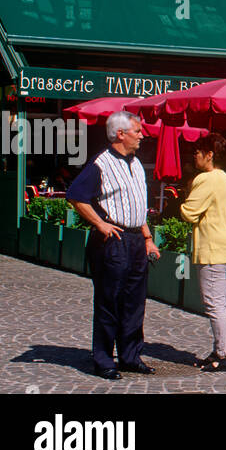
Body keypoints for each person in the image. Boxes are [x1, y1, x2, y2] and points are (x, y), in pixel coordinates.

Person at [66, 112, 160, 380]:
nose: (142, 135)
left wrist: (148, 238)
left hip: (135, 240)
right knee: (110, 300)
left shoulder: (137, 163)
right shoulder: (101, 164)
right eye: (137, 131)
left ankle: (130, 356)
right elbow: (76, 196)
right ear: (120, 134)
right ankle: (104, 359)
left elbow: (139, 207)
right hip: (113, 239)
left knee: (134, 301)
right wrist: (100, 224)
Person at [180, 133, 226, 374]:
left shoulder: (205, 179)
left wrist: (183, 200)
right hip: (225, 244)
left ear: (210, 154)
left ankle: (225, 355)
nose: (194, 155)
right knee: (219, 301)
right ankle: (220, 350)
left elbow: (189, 212)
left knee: (214, 304)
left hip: (212, 246)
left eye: (198, 151)